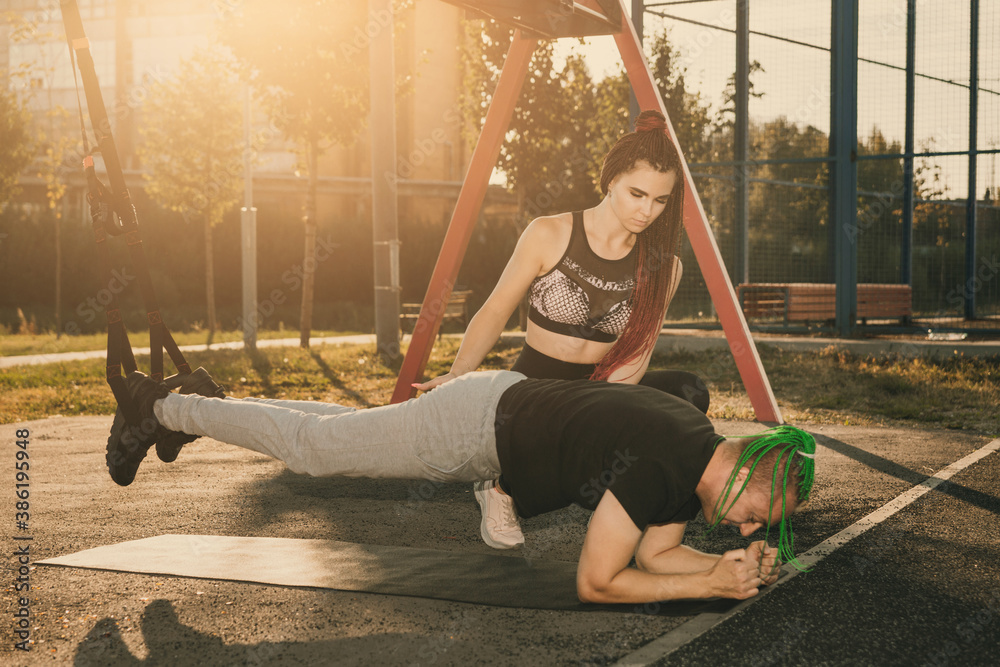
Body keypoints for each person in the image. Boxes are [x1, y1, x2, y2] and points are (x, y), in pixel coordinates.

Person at [108, 368, 816, 605]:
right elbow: (597, 581)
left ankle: (200, 402)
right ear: (750, 470)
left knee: (340, 432)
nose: (748, 527)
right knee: (315, 452)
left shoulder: (693, 455)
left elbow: (657, 558)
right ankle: (161, 406)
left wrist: (729, 570)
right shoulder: (666, 463)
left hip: (489, 423)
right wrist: (709, 584)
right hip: (473, 428)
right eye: (758, 515)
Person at [413, 110, 707, 548]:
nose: (647, 210)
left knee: (687, 393)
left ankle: (623, 502)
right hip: (532, 386)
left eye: (660, 200)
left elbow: (638, 354)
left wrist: (609, 414)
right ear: (611, 181)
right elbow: (494, 310)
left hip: (600, 384)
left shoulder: (665, 267)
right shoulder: (549, 233)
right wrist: (458, 378)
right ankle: (498, 489)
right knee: (546, 436)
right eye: (637, 193)